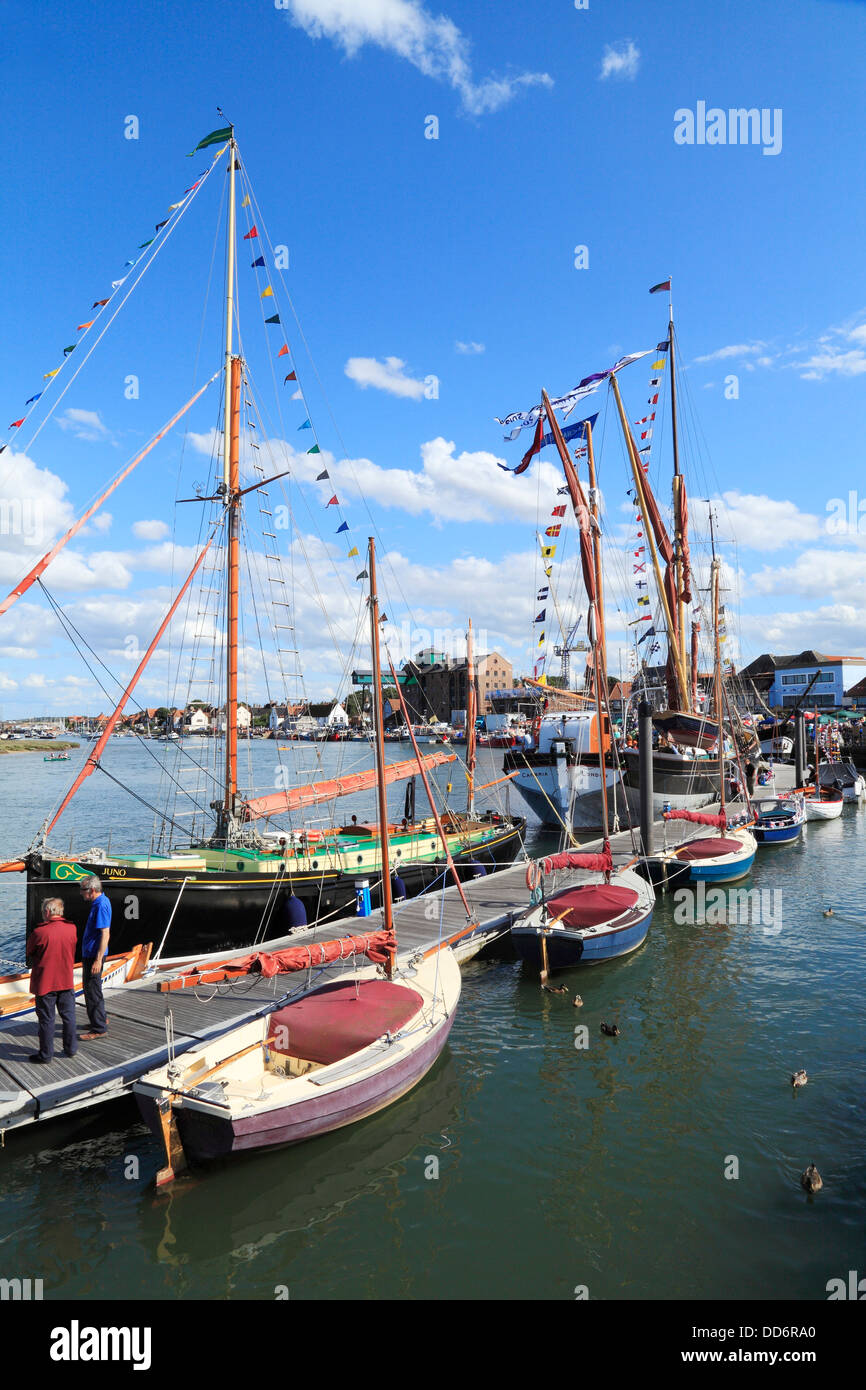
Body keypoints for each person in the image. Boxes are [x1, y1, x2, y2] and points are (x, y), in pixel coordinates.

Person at [26, 897, 78, 1064]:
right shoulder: (72, 928)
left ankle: (46, 1054)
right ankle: (71, 1049)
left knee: (47, 1019)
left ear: (47, 912)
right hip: (66, 980)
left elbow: (29, 951)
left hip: (46, 983)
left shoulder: (40, 932)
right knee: (69, 1016)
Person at [78, 875, 111, 1039]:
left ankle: (99, 1028)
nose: (81, 894)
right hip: (90, 953)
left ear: (91, 890)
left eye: (82, 890)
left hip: (94, 955)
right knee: (93, 988)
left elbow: (105, 933)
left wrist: (98, 960)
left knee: (92, 990)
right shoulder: (98, 903)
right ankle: (99, 1019)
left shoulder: (101, 905)